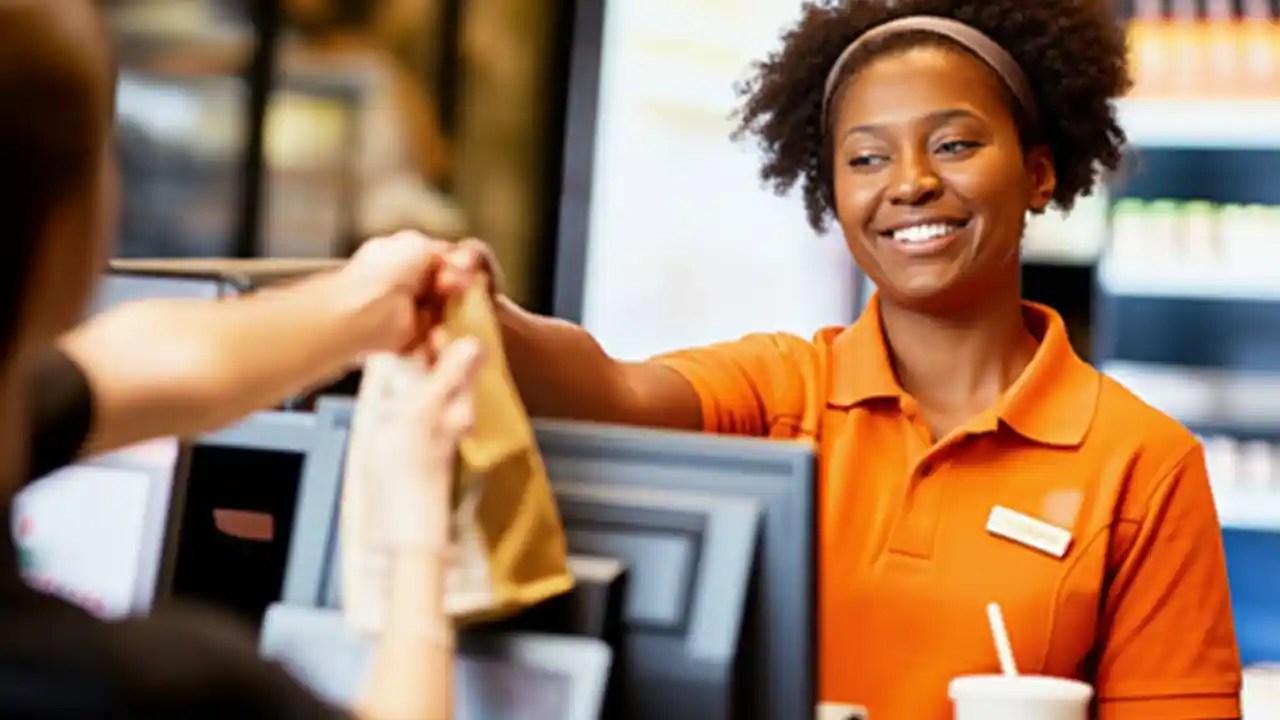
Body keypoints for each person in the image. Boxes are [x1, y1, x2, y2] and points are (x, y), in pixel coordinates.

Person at [430, 0, 1244, 717]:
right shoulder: (781, 391)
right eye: (867, 158)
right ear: (834, 195)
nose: (912, 182)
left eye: (955, 144)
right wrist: (464, 301)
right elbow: (606, 388)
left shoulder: (1143, 465)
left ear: (1037, 174)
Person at [1, 2, 473, 718]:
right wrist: (416, 531)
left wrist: (364, 304)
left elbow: (133, 368)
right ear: (74, 238)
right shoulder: (141, 687)